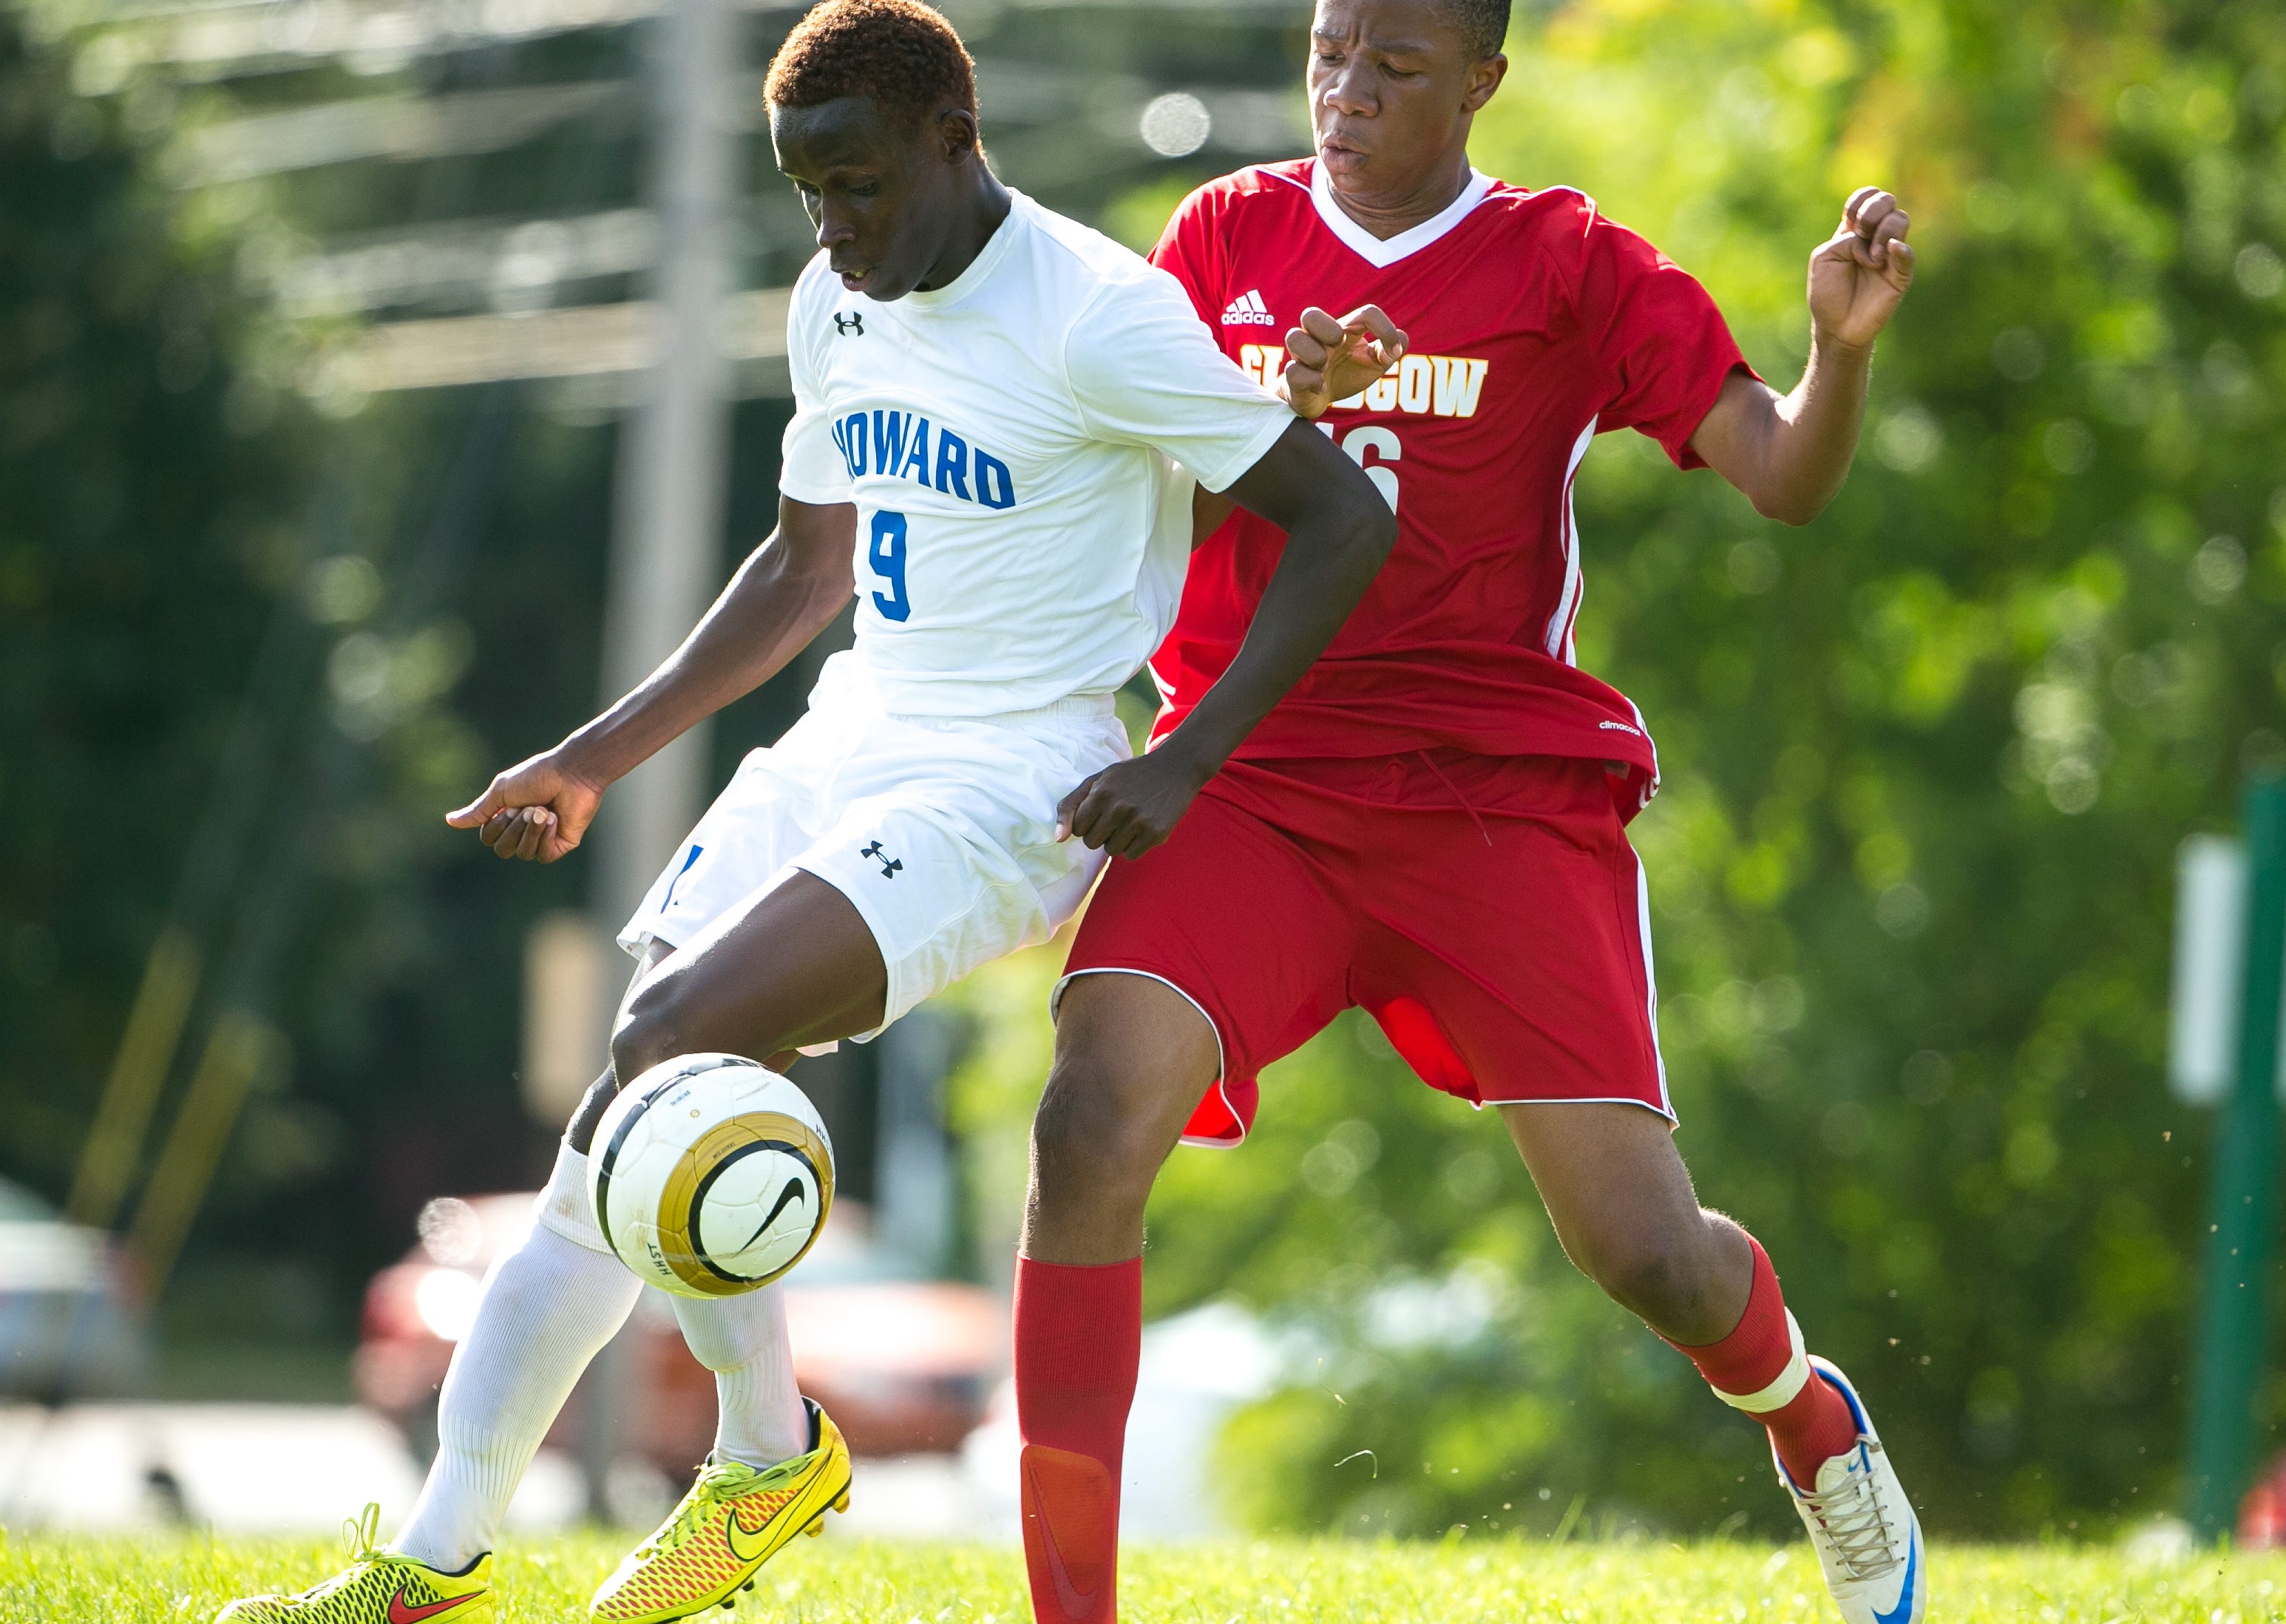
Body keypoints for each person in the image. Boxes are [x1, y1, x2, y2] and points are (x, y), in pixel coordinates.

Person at [215, 4, 1400, 1622]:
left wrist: (1184, 759)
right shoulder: (836, 302)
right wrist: (593, 757)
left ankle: (762, 1454)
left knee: (672, 1042)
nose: (832, 228)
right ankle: (438, 1566)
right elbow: (800, 567)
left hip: (1010, 786)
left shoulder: (1102, 315)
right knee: (611, 1136)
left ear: (951, 142)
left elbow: (1340, 520)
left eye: (856, 185)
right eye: (804, 194)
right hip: (848, 739)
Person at [1009, 0, 1923, 1621]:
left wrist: (1837, 356)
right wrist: (1256, 405)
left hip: (1489, 801)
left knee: (1647, 1256)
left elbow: (1781, 474)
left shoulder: (1568, 265)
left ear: (1485, 85)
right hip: (1253, 776)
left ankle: (1809, 1418)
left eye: (1397, 69)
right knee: (1085, 1124)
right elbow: (1125, 485)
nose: (1347, 95)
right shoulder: (1223, 234)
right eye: (1329, 53)